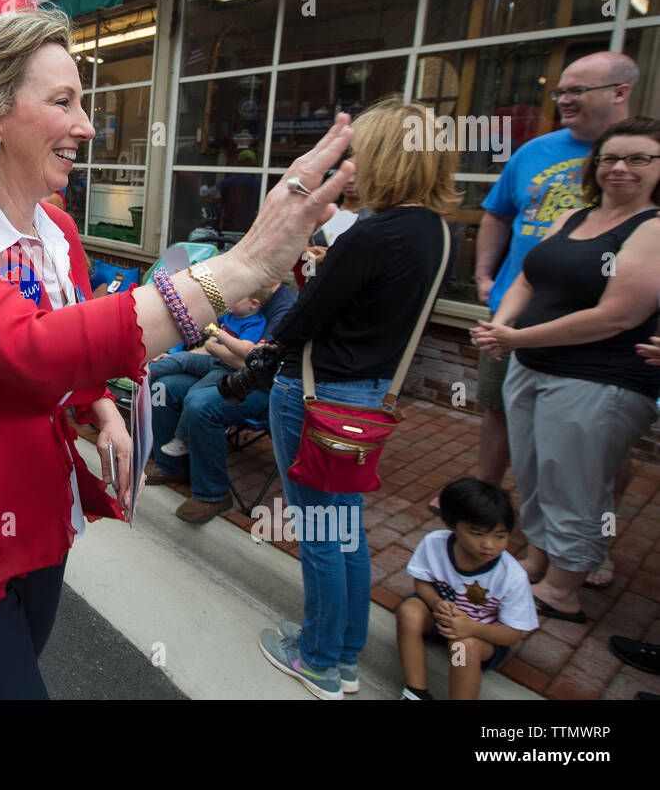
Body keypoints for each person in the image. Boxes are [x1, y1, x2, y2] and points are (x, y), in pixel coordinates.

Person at [0, 9, 356, 699]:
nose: (88, 126)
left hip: (40, 519)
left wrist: (100, 404)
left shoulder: (60, 230)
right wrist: (240, 267)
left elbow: (69, 348)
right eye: (63, 101)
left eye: (85, 102)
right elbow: (26, 347)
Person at [259, 99, 458, 700]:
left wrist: (313, 272)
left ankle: (317, 660)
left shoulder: (371, 233)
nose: (354, 162)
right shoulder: (437, 233)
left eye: (362, 152)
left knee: (319, 530)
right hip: (370, 398)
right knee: (346, 530)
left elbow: (299, 323)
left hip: (316, 394)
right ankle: (342, 654)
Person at [471, 116, 660, 623]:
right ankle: (536, 560)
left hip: (598, 378)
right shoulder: (573, 217)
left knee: (576, 484)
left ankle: (563, 587)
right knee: (535, 474)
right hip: (531, 365)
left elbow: (616, 315)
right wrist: (502, 325)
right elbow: (529, 280)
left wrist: (516, 338)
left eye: (638, 158)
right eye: (610, 158)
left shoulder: (652, 229)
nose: (620, 168)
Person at [464, 53, 637, 520]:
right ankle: (484, 504)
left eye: (576, 90)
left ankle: (593, 535)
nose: (563, 100)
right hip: (514, 312)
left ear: (620, 92)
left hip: (601, 326)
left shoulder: (637, 164)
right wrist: (485, 276)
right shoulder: (533, 152)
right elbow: (497, 212)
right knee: (500, 409)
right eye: (559, 91)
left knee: (597, 435)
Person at [148, 282, 296, 524]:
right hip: (221, 368)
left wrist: (211, 345)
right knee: (162, 387)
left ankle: (212, 493)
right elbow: (212, 347)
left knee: (200, 403)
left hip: (259, 385)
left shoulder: (284, 307)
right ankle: (171, 465)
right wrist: (181, 356)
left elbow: (255, 365)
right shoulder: (246, 281)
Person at [395, 478, 536, 700]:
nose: (489, 545)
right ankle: (416, 691)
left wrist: (471, 629)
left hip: (483, 637)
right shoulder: (434, 544)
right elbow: (422, 582)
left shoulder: (512, 576)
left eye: (500, 535)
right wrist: (435, 602)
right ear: (451, 524)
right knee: (409, 611)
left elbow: (511, 635)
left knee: (463, 647)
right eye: (477, 534)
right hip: (440, 619)